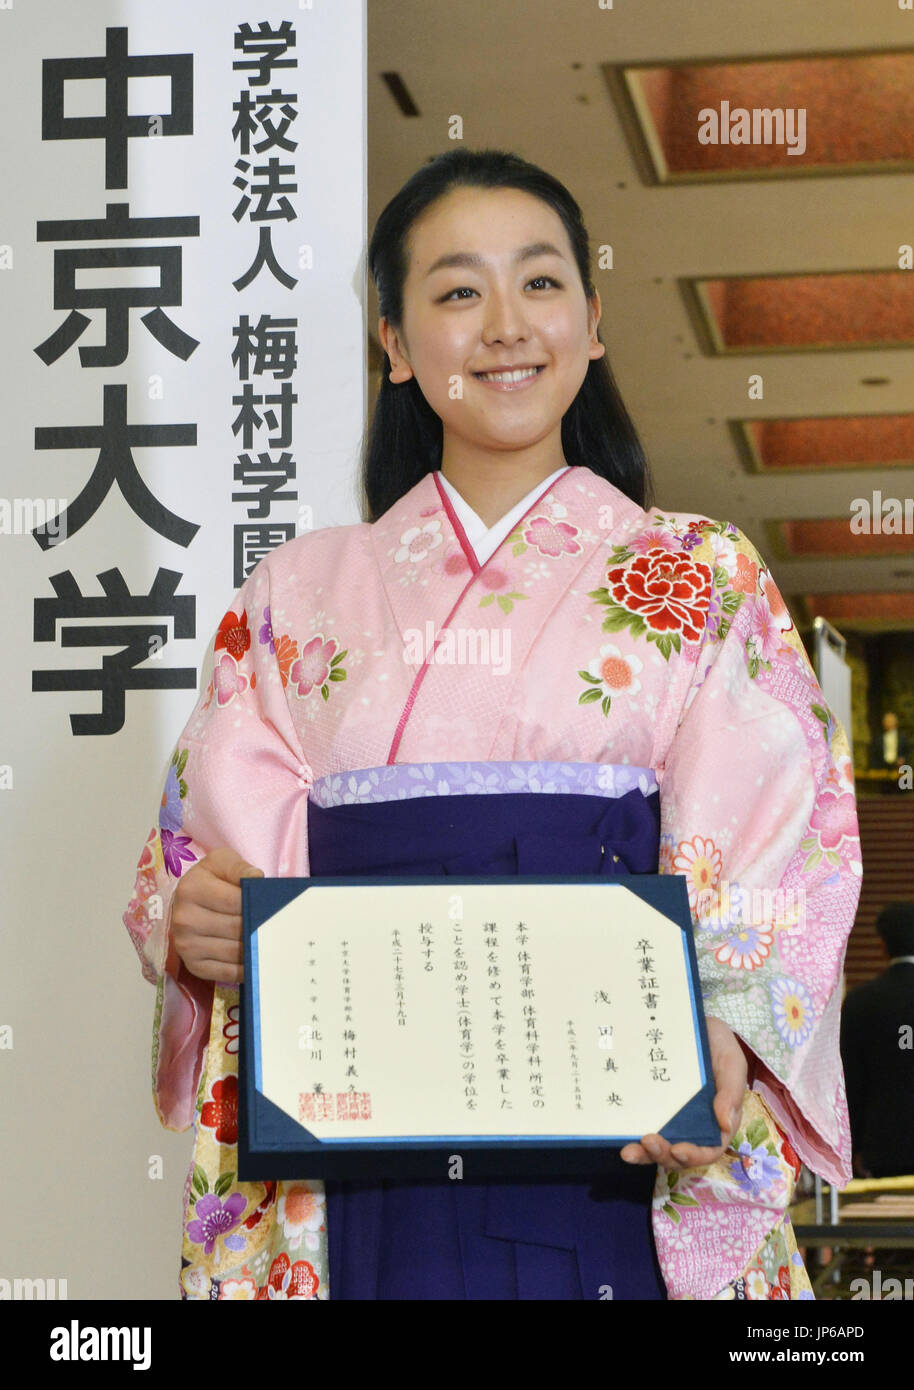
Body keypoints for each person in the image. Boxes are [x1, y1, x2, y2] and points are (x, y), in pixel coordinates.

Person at [124, 148, 862, 1300]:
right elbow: (201, 853)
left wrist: (724, 1023)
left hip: (618, 1114)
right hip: (355, 1133)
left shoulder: (699, 573)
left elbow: (782, 835)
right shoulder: (290, 595)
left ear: (594, 322)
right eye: (457, 292)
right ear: (395, 344)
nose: (505, 325)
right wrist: (196, 918)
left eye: (541, 283)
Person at [840, 903, 914, 1178]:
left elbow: (851, 1081)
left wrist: (853, 1147)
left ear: (883, 945)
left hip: (883, 1145)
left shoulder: (860, 1002)